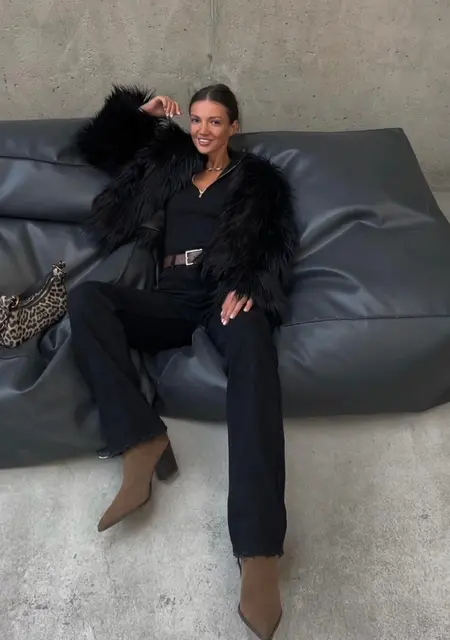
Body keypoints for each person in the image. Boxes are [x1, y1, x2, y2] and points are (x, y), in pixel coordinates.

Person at [68, 83, 297, 640]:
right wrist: (136, 114)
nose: (202, 130)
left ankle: (259, 548)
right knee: (89, 299)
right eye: (196, 119)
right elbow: (98, 150)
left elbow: (275, 245)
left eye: (215, 121)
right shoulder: (169, 160)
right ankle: (140, 439)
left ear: (233, 127)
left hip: (223, 293)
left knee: (255, 352)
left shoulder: (257, 179)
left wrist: (253, 287)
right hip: (170, 295)